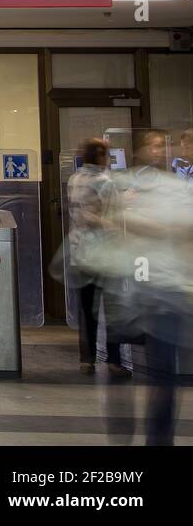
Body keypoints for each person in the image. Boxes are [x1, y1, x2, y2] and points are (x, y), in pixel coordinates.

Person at [117, 130, 192, 445]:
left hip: (177, 287)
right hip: (158, 290)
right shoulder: (136, 187)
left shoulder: (177, 187)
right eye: (154, 144)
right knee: (162, 374)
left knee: (166, 375)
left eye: (166, 144)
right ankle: (158, 441)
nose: (161, 150)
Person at [65, 137, 127, 376]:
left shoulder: (75, 179)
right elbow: (113, 216)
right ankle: (113, 359)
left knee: (87, 308)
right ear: (101, 156)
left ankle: (87, 359)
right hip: (105, 253)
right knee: (112, 309)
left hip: (80, 253)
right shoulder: (106, 181)